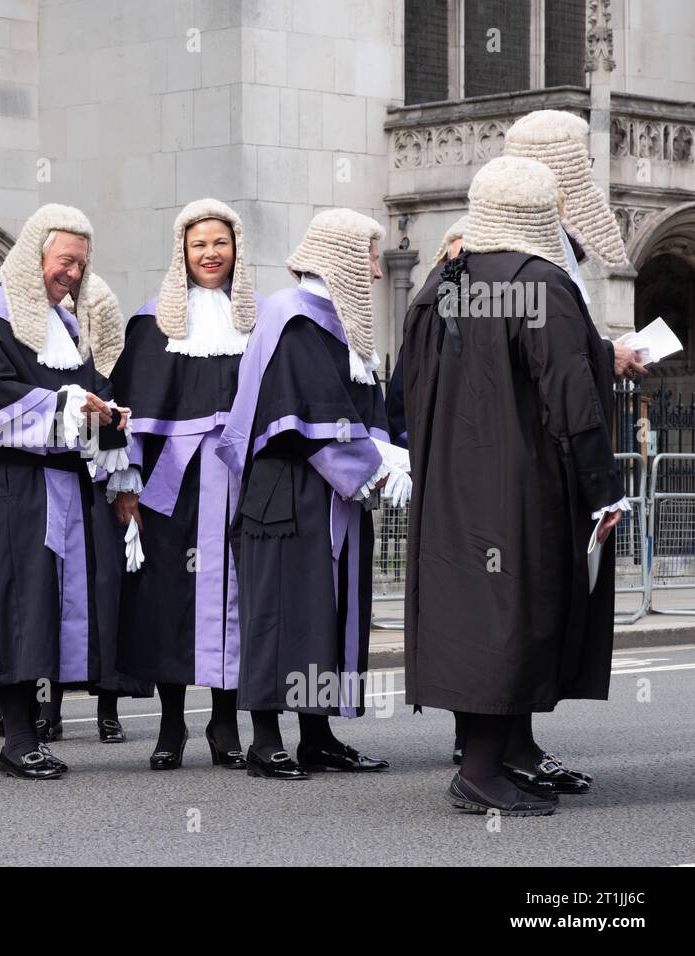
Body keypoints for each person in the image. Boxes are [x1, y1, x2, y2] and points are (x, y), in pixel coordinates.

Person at [402, 156, 627, 815]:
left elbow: (409, 380)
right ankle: (478, 773)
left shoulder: (445, 281)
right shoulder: (541, 282)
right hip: (519, 479)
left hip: (450, 480)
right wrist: (601, 488)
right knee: (512, 613)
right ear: (538, 212)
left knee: (475, 614)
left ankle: (497, 755)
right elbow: (571, 395)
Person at [218, 208, 402, 781]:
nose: (376, 271)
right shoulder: (291, 317)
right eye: (369, 256)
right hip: (286, 491)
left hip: (326, 494)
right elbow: (305, 414)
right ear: (344, 255)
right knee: (277, 614)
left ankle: (317, 735)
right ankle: (265, 740)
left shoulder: (335, 323)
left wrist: (387, 453)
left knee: (324, 614)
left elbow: (358, 407)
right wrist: (370, 467)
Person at [0, 204, 130, 779]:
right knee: (12, 604)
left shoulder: (65, 328)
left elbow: (89, 391)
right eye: (64, 261)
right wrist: (67, 406)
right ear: (34, 257)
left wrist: (109, 414)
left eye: (81, 264)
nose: (73, 274)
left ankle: (33, 732)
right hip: (7, 490)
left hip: (56, 488)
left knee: (40, 608)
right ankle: (16, 739)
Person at [107, 199, 261, 770]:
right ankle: (172, 725)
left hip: (240, 482)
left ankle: (225, 723)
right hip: (173, 487)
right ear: (183, 252)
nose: (210, 253)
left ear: (236, 249)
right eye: (199, 244)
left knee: (236, 597)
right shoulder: (151, 323)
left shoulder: (259, 320)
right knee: (168, 596)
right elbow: (129, 412)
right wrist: (125, 485)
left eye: (220, 243)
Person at [35, 272, 151, 743]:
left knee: (107, 601)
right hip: (63, 497)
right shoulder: (50, 363)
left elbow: (126, 430)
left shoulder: (117, 370)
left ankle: (108, 709)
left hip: (101, 502)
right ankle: (50, 707)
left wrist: (125, 485)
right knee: (57, 601)